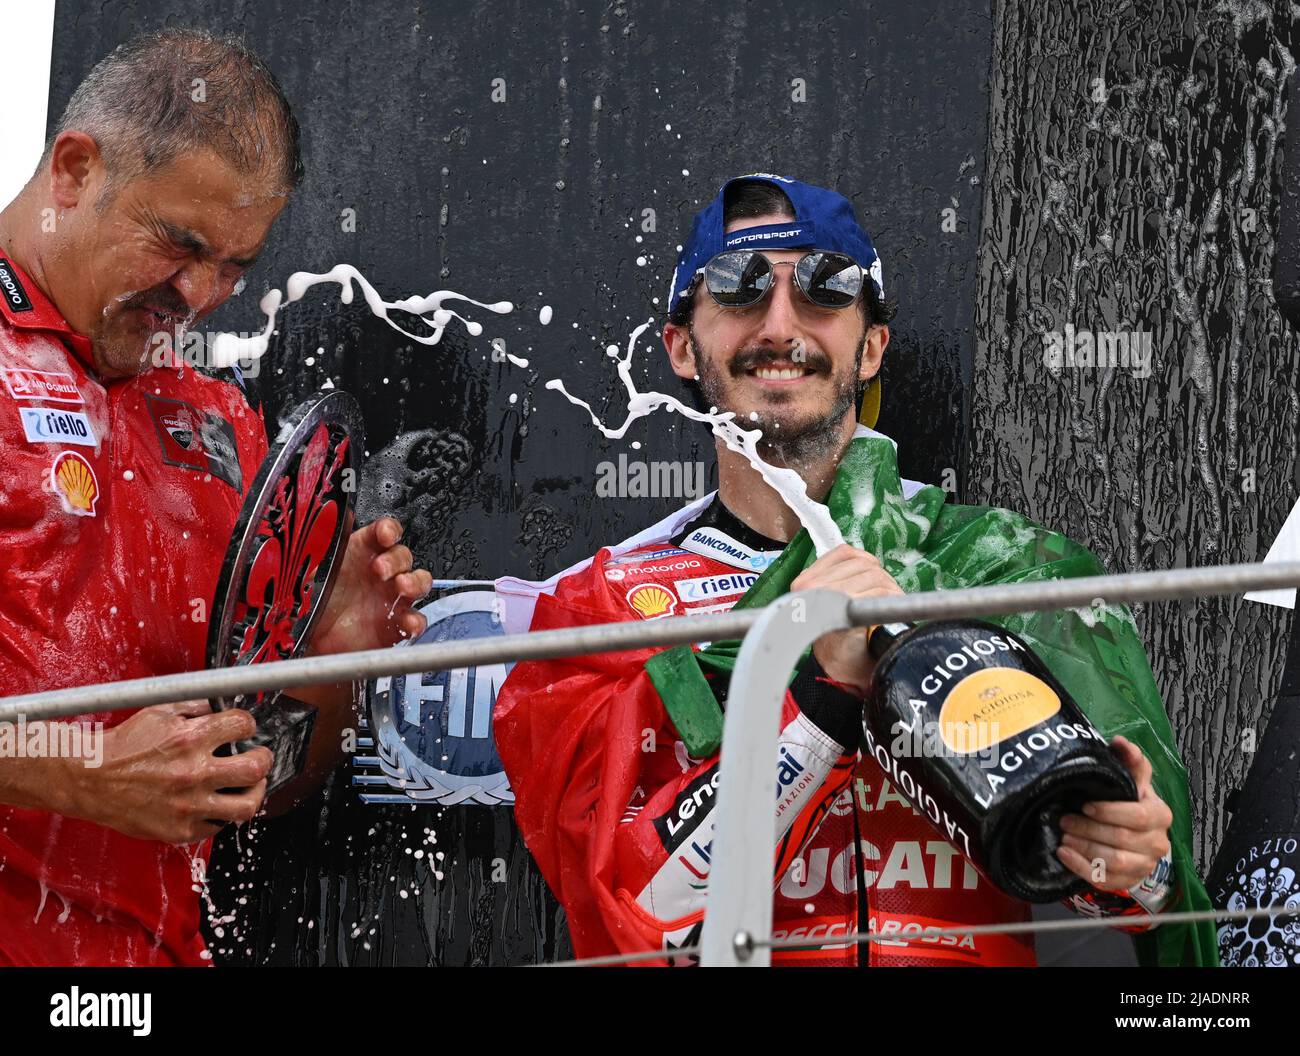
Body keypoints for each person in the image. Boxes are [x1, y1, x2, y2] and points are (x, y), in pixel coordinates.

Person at [493, 173, 1217, 966]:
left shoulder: (1006, 572)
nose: (780, 324)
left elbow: (1144, 900)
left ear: (870, 347)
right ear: (679, 345)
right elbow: (634, 909)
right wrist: (821, 697)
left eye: (823, 288)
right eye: (737, 290)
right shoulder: (599, 617)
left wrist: (1132, 863)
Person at [0, 30, 431, 966]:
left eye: (237, 267)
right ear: (74, 168)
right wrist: (77, 770)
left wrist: (326, 659)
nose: (200, 297)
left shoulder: (220, 423)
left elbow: (251, 786)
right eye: (180, 246)